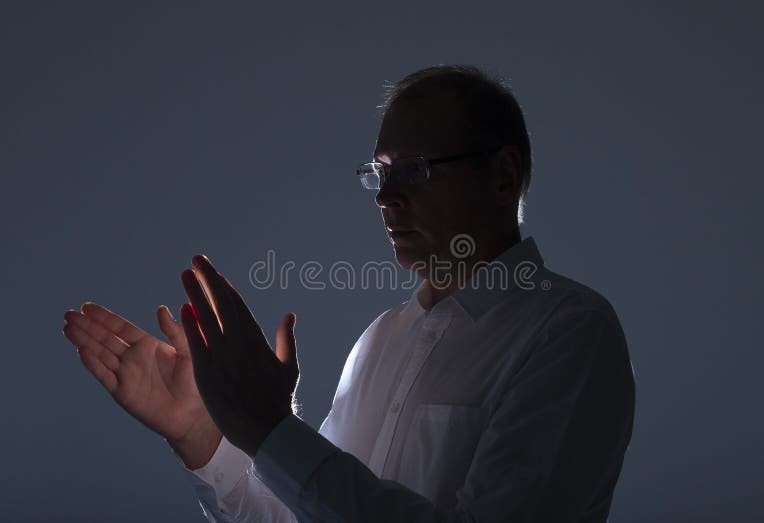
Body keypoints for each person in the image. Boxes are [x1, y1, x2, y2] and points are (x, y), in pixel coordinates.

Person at [63, 64, 636, 522]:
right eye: (377, 173)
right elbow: (308, 512)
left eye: (412, 170)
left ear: (504, 176)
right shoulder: (381, 339)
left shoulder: (570, 332)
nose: (385, 197)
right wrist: (206, 436)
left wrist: (269, 430)